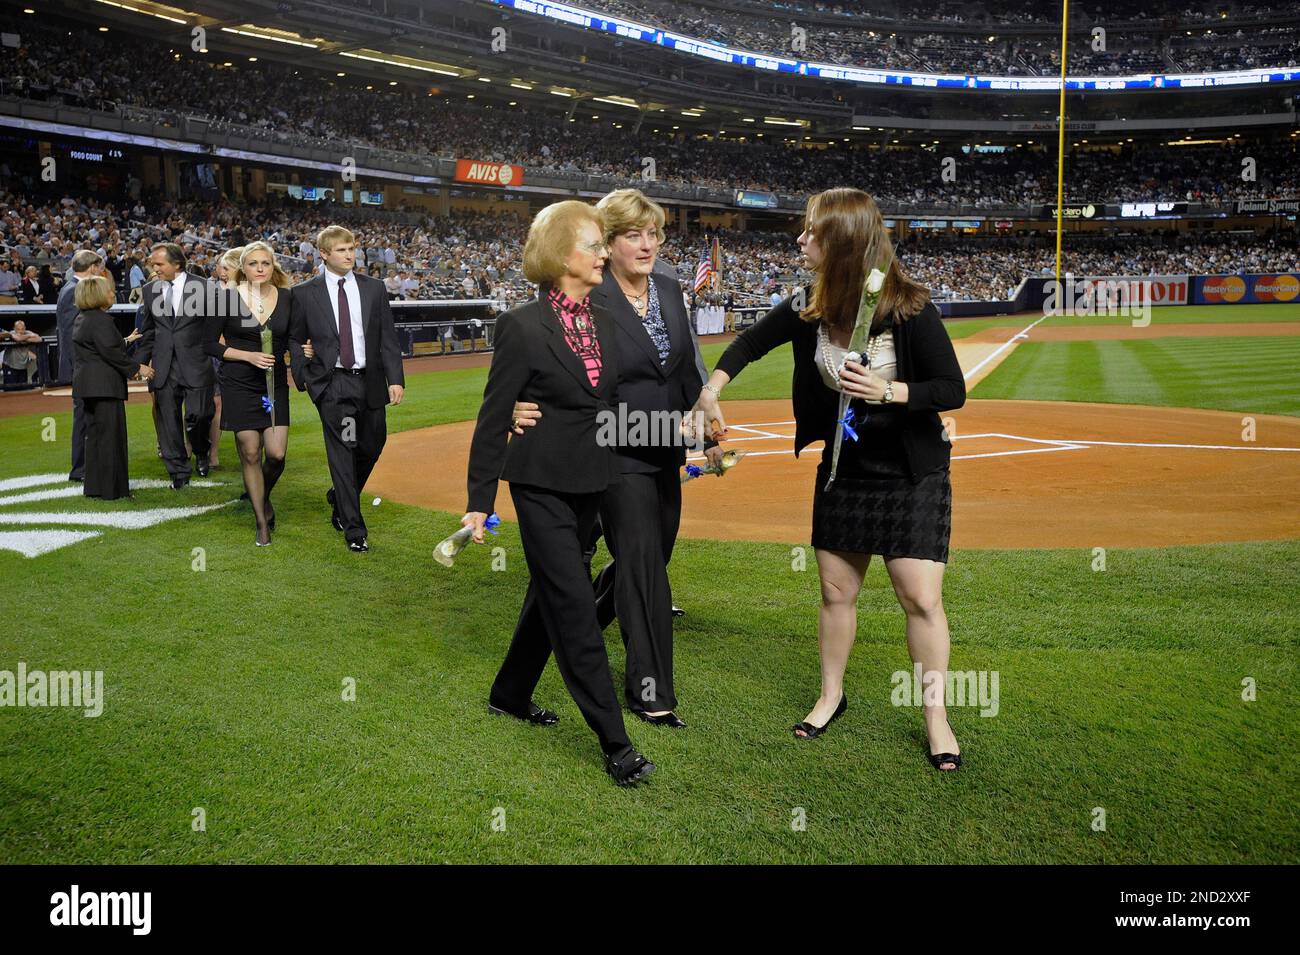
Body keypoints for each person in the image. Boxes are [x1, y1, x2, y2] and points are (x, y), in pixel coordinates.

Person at [690, 187, 968, 771]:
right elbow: (749, 343)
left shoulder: (909, 308)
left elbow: (951, 389)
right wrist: (711, 389)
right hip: (846, 470)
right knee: (836, 592)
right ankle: (830, 696)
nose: (801, 240)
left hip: (911, 473)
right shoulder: (809, 305)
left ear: (843, 244)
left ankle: (937, 718)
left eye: (812, 232)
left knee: (920, 597)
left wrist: (891, 391)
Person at [463, 200, 654, 787]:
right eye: (594, 244)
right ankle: (616, 743)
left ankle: (509, 694)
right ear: (560, 254)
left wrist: (682, 435)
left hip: (594, 481)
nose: (604, 253)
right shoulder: (522, 325)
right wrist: (479, 499)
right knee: (573, 605)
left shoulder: (608, 315)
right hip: (540, 482)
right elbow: (494, 414)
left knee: (549, 593)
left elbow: (629, 391)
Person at [511, 189, 718, 728]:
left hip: (665, 448)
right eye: (633, 235)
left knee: (645, 559)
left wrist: (702, 414)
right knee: (645, 564)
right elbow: (546, 361)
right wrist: (516, 402)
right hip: (611, 446)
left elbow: (680, 371)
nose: (647, 245)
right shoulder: (589, 300)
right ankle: (652, 693)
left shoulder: (671, 291)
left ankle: (526, 666)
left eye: (654, 234)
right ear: (608, 242)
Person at [288, 226, 405, 553]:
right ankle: (354, 530)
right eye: (341, 250)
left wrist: (395, 379)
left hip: (370, 381)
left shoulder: (374, 288)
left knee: (371, 444)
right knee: (343, 452)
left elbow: (388, 338)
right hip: (332, 384)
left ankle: (340, 497)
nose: (350, 255)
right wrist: (306, 375)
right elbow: (294, 338)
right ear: (324, 254)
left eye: (352, 248)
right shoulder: (303, 293)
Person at [205, 242, 295, 547]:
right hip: (239, 383)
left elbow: (294, 337)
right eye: (254, 263)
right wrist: (246, 356)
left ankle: (262, 494)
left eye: (266, 263)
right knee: (251, 452)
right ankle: (261, 520)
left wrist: (303, 350)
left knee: (277, 454)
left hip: (273, 385)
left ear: (273, 267)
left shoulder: (286, 298)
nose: (260, 268)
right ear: (244, 267)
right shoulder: (226, 299)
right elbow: (208, 344)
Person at [136, 242, 217, 489]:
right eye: (153, 263)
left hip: (196, 362)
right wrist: (140, 363)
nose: (154, 268)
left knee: (200, 415)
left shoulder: (204, 287)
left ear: (177, 264)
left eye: (159, 264)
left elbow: (215, 326)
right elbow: (148, 330)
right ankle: (178, 472)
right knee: (167, 420)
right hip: (163, 366)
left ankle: (201, 450)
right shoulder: (149, 290)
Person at [72, 275, 153, 499]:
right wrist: (139, 368)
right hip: (105, 386)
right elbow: (111, 353)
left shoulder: (83, 318)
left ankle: (95, 488)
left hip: (89, 386)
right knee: (111, 439)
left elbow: (98, 347)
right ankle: (112, 491)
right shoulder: (101, 320)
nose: (112, 294)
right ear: (97, 294)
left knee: (96, 438)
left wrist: (126, 340)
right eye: (108, 290)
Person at [59, 250, 107, 480]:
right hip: (83, 368)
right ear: (91, 268)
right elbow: (71, 336)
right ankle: (80, 469)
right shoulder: (73, 291)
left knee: (86, 417)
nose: (101, 272)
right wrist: (80, 368)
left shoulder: (71, 288)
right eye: (99, 268)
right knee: (83, 419)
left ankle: (86, 467)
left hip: (83, 367)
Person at [1, 319, 42, 386]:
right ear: (14, 329)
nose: (20, 331)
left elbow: (39, 339)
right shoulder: (11, 333)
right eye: (18, 329)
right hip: (10, 367)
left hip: (22, 367)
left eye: (22, 329)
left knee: (23, 390)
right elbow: (18, 338)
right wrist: (28, 337)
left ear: (25, 328)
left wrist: (24, 338)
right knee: (10, 390)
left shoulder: (27, 332)